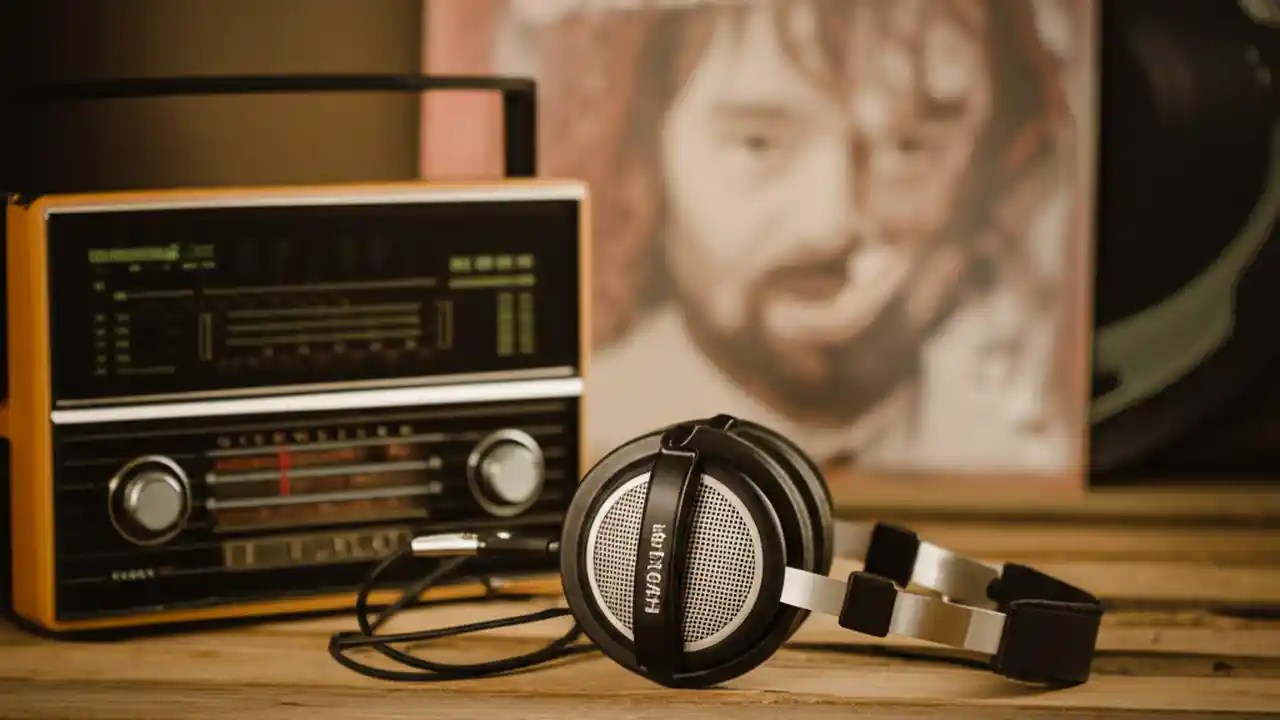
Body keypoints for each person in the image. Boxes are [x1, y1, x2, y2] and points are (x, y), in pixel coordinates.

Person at [432, 0, 1089, 475]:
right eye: (759, 143)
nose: (835, 219)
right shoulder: (569, 437)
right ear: (644, 151)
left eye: (909, 147)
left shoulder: (1018, 441)